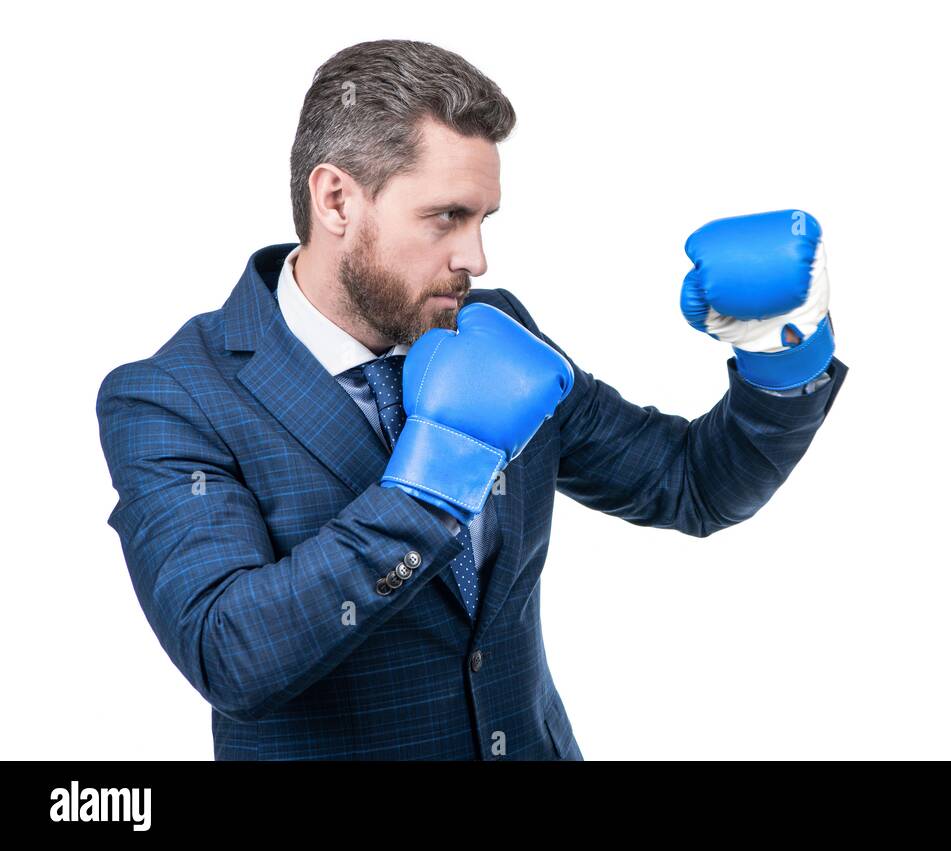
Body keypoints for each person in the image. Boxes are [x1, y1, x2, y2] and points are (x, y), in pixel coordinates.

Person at [95, 39, 849, 760]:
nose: (476, 258)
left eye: (483, 219)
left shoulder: (492, 331)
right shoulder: (172, 397)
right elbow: (230, 655)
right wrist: (432, 485)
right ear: (336, 200)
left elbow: (692, 485)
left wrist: (781, 353)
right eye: (446, 217)